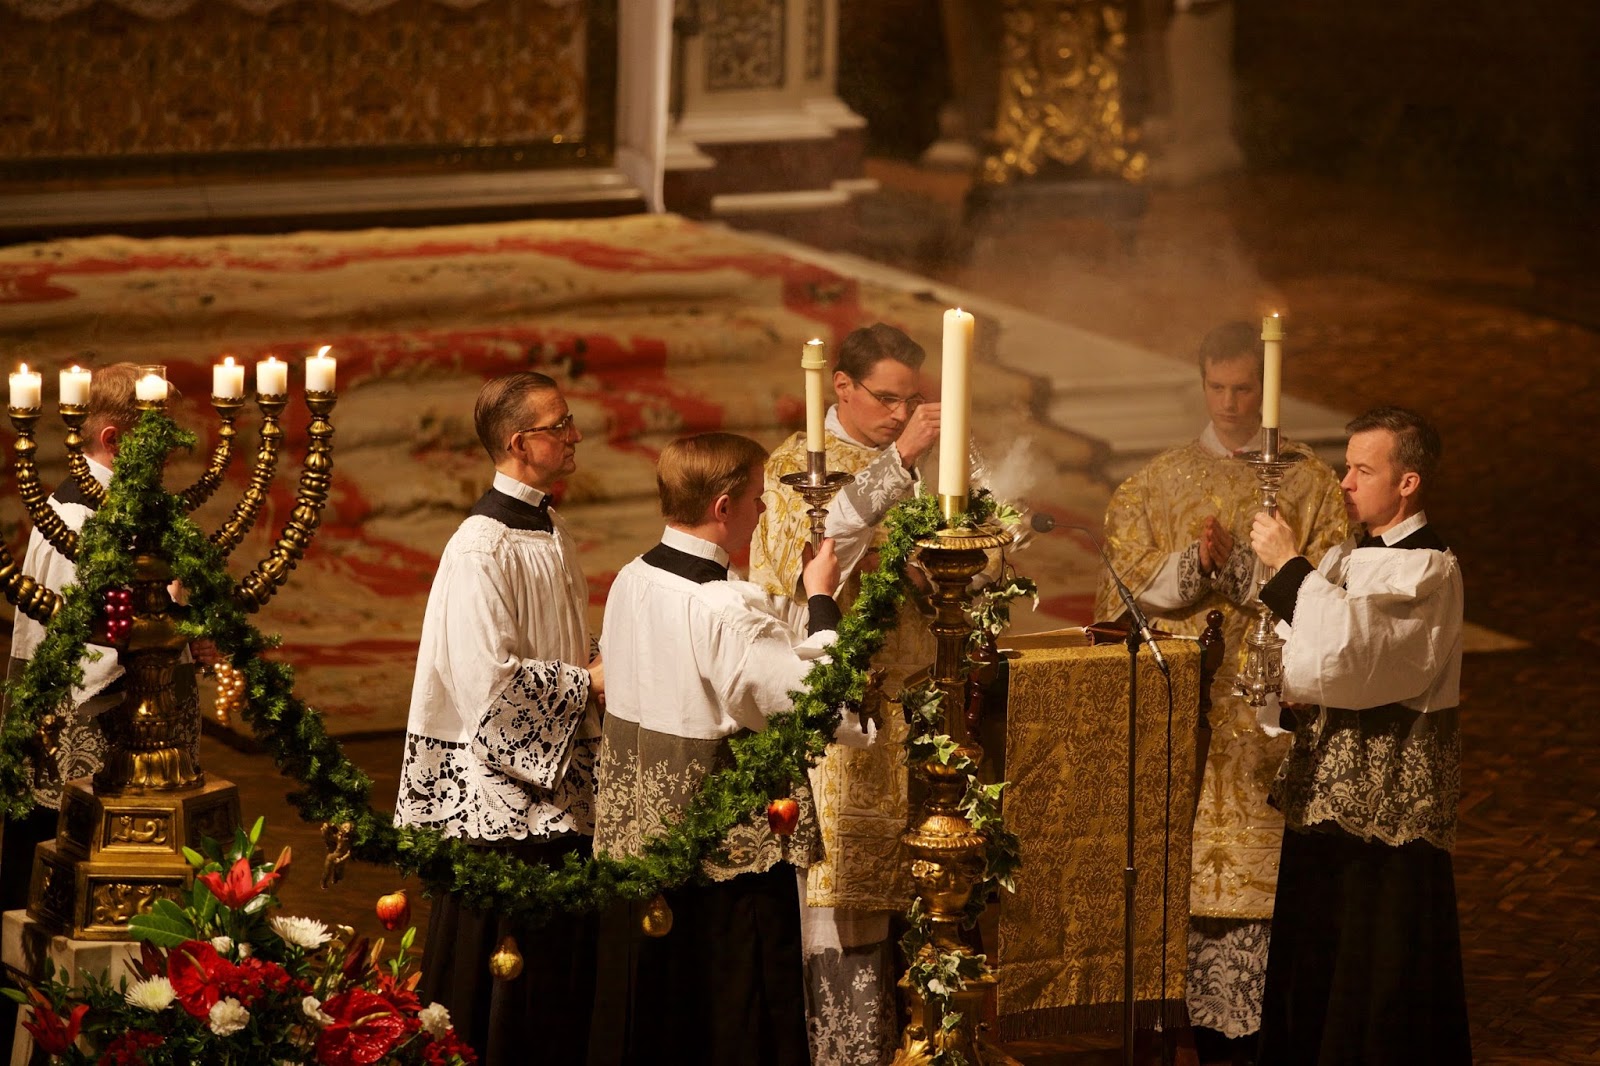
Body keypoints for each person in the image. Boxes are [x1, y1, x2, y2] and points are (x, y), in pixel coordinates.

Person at [1095, 322, 1347, 1051]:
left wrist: (1240, 568)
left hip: (1266, 718)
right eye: (1218, 387)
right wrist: (1193, 565)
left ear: (1266, 391)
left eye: (1245, 388)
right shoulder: (1155, 482)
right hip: (1184, 717)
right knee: (1181, 881)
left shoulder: (1310, 484)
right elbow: (1123, 586)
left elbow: (1330, 592)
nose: (1231, 402)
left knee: (1264, 886)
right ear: (1201, 384)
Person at [594, 431, 845, 1066]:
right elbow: (820, 704)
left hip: (641, 852)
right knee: (736, 1017)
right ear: (724, 505)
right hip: (724, 873)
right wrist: (822, 600)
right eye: (759, 499)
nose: (764, 513)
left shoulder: (631, 578)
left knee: (658, 1015)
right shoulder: (723, 609)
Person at [1250, 406, 1470, 1064]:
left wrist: (1289, 565)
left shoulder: (1428, 571)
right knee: (1313, 966)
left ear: (1407, 482)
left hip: (1386, 818)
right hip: (1324, 807)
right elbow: (1316, 657)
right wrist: (1283, 693)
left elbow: (1354, 657)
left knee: (1375, 982)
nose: (1344, 482)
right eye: (1346, 466)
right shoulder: (1348, 558)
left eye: (1362, 469)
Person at [394, 372, 603, 1066]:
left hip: (555, 788)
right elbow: (487, 686)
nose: (575, 435)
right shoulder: (480, 547)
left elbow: (554, 645)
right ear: (520, 443)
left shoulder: (546, 526)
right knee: (498, 987)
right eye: (560, 425)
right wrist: (586, 681)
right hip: (500, 809)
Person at [747, 323, 941, 1066]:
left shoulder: (924, 462)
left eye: (911, 400)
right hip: (843, 721)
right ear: (842, 388)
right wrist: (897, 464)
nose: (899, 414)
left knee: (931, 899)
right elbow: (816, 560)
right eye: (886, 399)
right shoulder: (799, 466)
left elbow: (973, 553)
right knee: (847, 915)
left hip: (921, 710)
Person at [0, 363, 202, 1035]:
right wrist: (166, 612)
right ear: (115, 439)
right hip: (89, 736)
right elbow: (89, 632)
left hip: (125, 735)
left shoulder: (116, 508)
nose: (171, 464)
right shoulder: (79, 517)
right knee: (68, 907)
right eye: (161, 447)